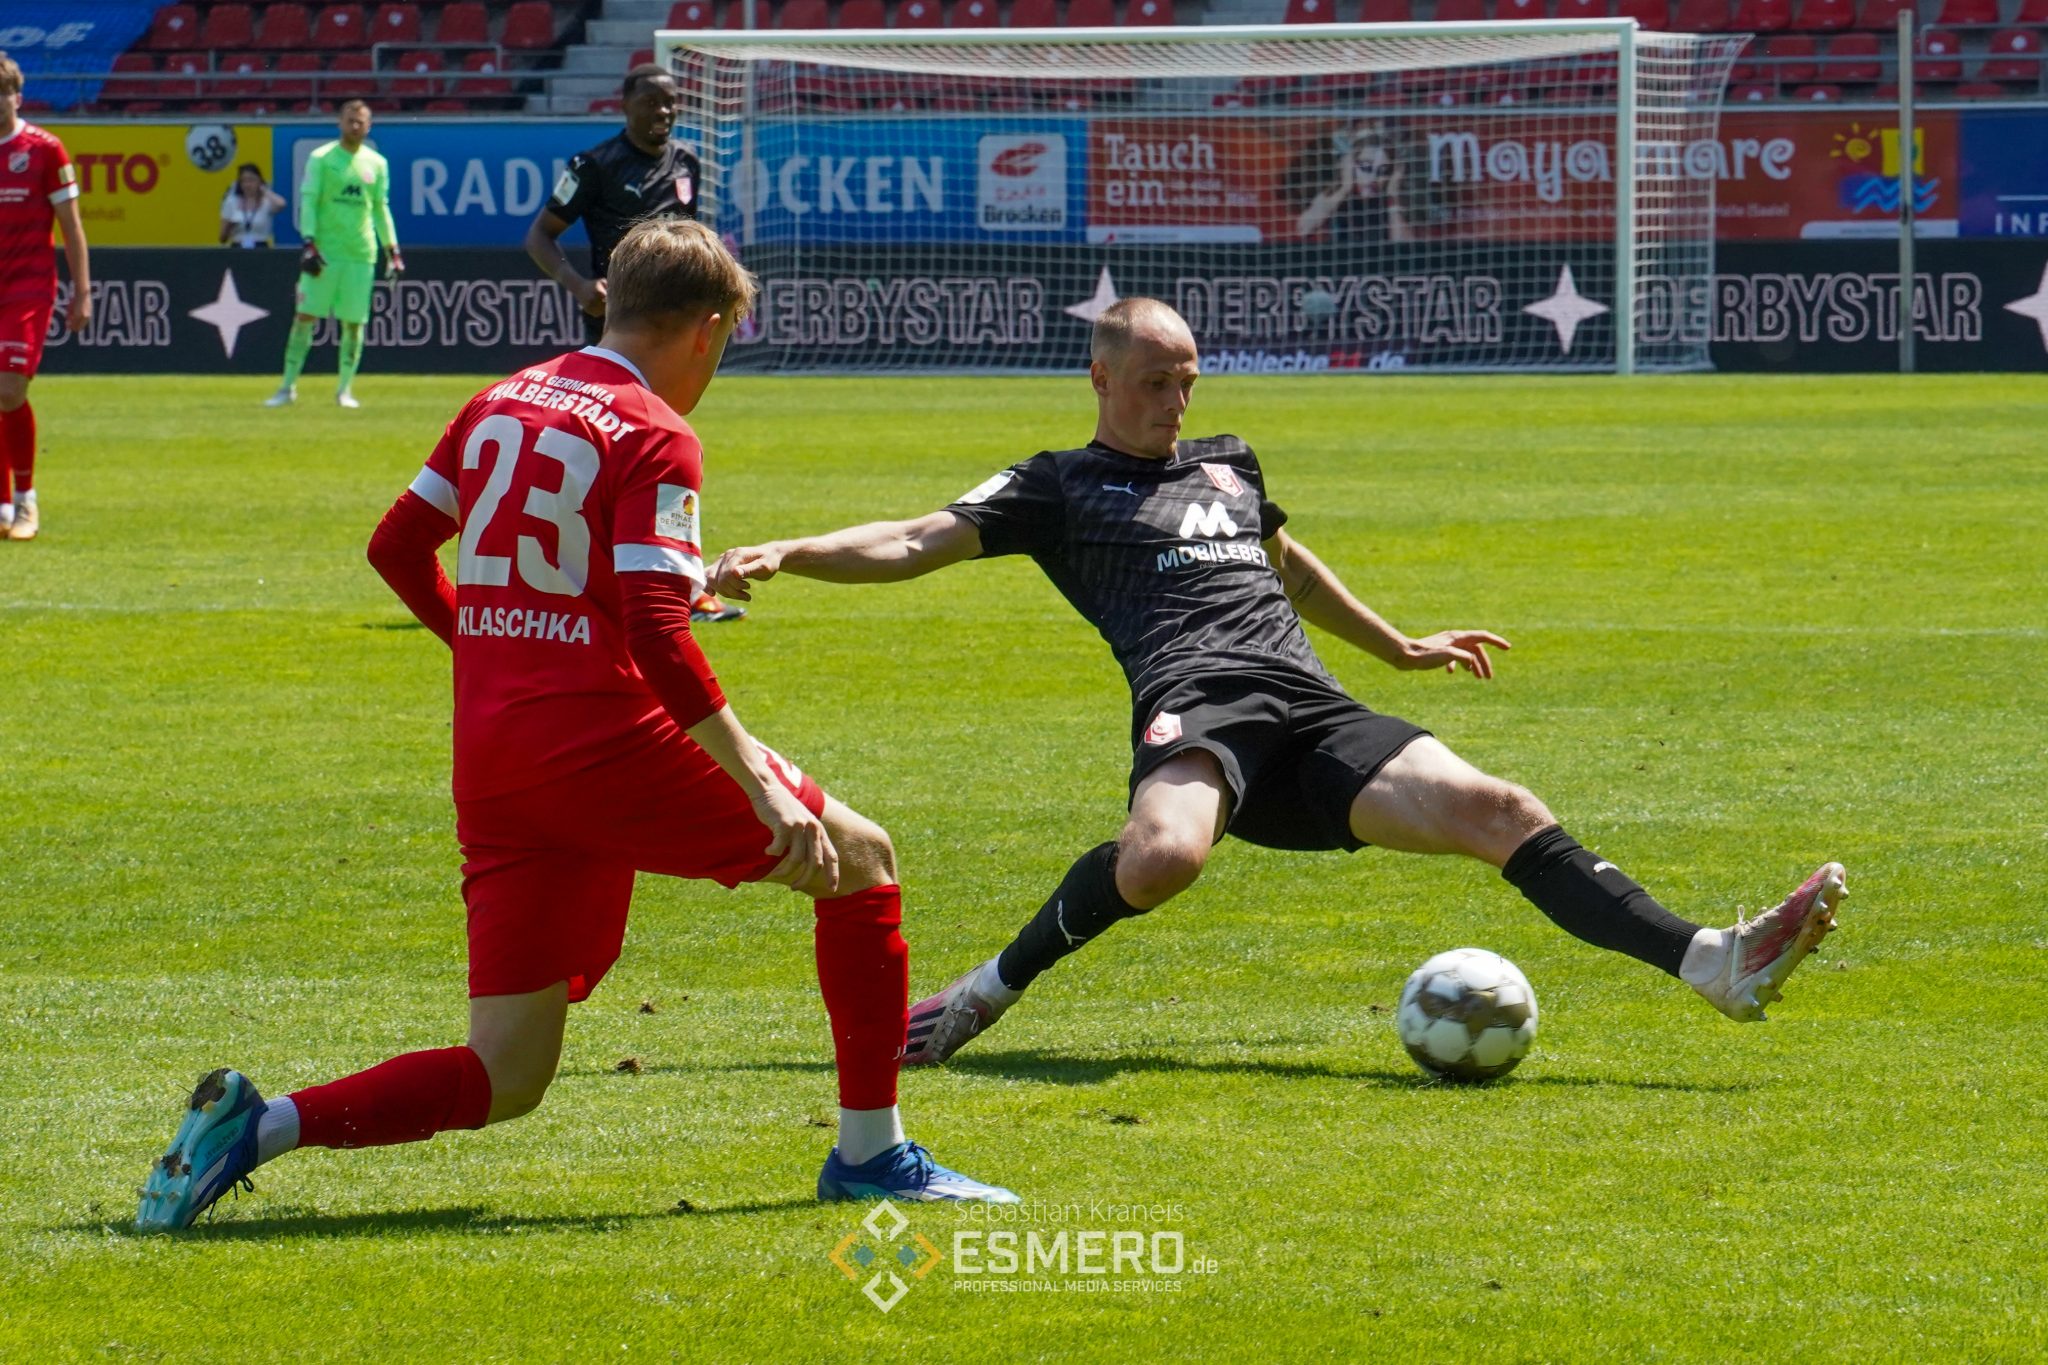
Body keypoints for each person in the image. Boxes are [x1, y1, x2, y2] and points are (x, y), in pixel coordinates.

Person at [135, 220, 1017, 1232]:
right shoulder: (653, 430)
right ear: (709, 328)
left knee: (507, 1071)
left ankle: (257, 1127)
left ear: (608, 300)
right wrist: (758, 782)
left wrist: (488, 650)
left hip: (497, 758)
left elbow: (397, 546)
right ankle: (870, 1155)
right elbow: (651, 627)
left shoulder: (500, 397)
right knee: (860, 859)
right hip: (603, 744)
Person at [709, 297, 1847, 1067]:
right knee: (1160, 861)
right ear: (1101, 378)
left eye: (1188, 382)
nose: (1175, 402)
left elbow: (1283, 563)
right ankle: (983, 995)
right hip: (1197, 705)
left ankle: (1712, 962)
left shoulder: (1227, 462)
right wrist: (784, 553)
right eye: (1155, 382)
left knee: (1501, 809)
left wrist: (1394, 645)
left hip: (1310, 714)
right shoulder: (1056, 485)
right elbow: (913, 540)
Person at [525, 63, 740, 625]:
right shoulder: (593, 165)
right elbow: (539, 235)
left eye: (671, 103)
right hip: (616, 332)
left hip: (675, 334)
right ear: (625, 105)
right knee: (608, 451)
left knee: (663, 449)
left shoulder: (687, 163)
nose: (663, 112)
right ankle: (603, 573)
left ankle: (680, 583)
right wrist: (577, 284)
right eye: (652, 102)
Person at [0, 52, 90, 543]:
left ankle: (26, 501)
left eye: (3, 93)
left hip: (28, 286)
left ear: (17, 95)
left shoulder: (44, 149)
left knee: (9, 389)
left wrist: (82, 291)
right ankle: (1, 508)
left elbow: (71, 227)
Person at [265, 99, 402, 410]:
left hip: (361, 254)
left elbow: (381, 209)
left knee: (354, 324)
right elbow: (309, 201)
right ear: (340, 122)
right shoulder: (322, 159)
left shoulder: (377, 164)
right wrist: (309, 242)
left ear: (369, 126)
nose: (355, 126)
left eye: (361, 121)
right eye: (350, 120)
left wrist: (392, 250)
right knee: (305, 317)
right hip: (325, 254)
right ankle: (286, 387)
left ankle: (344, 390)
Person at [1293, 122, 1411, 244]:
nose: (1373, 178)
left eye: (1382, 171)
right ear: (1351, 165)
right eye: (1366, 168)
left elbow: (1404, 247)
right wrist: (1345, 188)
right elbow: (1304, 230)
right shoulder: (1334, 194)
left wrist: (1392, 197)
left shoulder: (1394, 200)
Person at [219, 163, 287, 248]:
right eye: (243, 181)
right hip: (238, 246)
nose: (247, 185)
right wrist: (229, 226)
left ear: (259, 181)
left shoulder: (266, 202)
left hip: (260, 246)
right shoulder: (231, 202)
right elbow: (222, 238)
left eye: (251, 180)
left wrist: (264, 190)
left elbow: (281, 204)